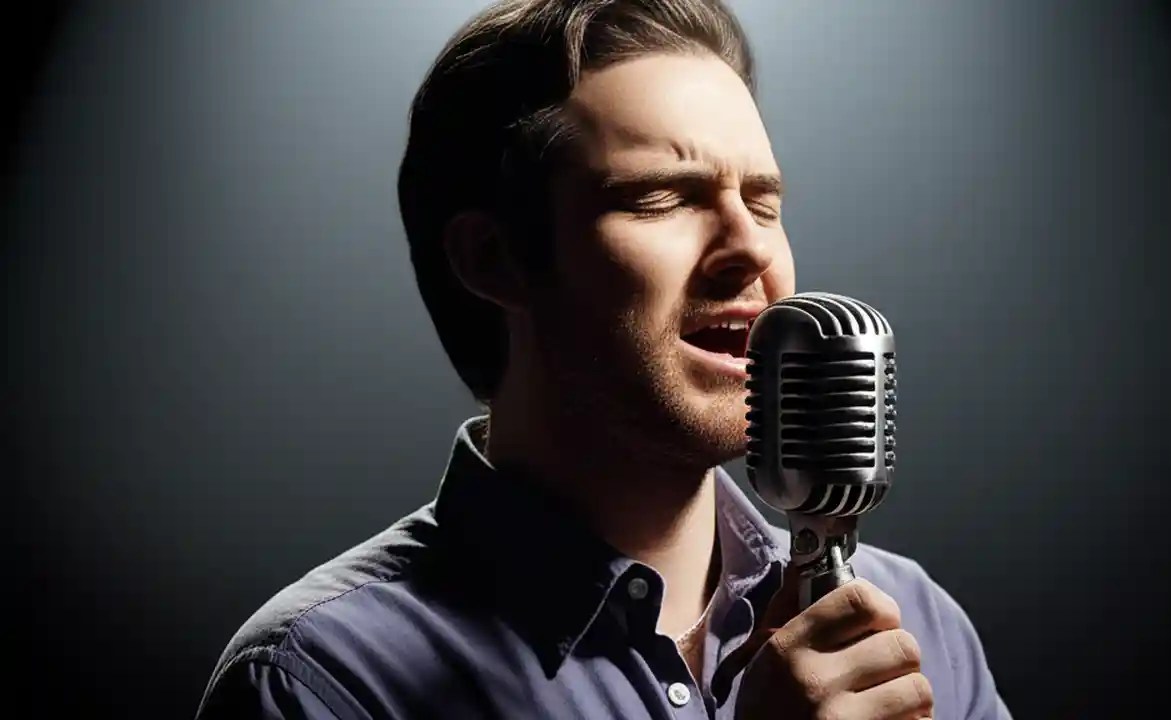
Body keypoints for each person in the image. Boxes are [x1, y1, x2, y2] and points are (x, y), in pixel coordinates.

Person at [195, 1, 1011, 718]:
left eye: (763, 203)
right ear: (492, 258)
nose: (750, 249)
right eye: (662, 197)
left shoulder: (915, 627)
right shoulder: (320, 684)